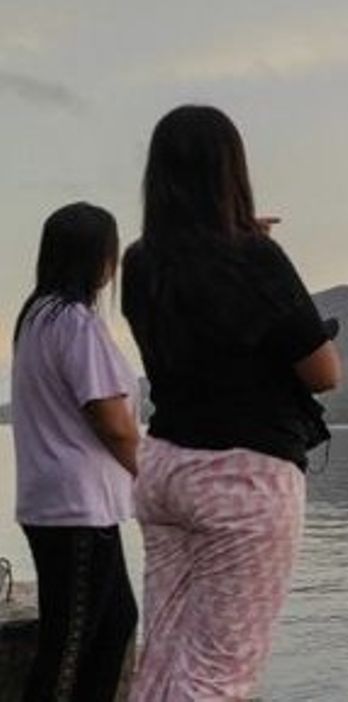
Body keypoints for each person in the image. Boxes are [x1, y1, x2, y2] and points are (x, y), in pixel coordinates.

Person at [120, 104, 341, 700]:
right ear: (231, 171)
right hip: (244, 478)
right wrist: (258, 255)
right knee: (221, 674)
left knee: (163, 657)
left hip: (164, 468)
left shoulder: (139, 262)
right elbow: (324, 372)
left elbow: (197, 310)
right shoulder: (255, 259)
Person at [10, 202, 140, 701]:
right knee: (70, 645)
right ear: (98, 259)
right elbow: (112, 421)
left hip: (63, 502)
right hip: (75, 506)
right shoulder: (75, 323)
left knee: (114, 624)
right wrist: (150, 476)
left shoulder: (37, 316)